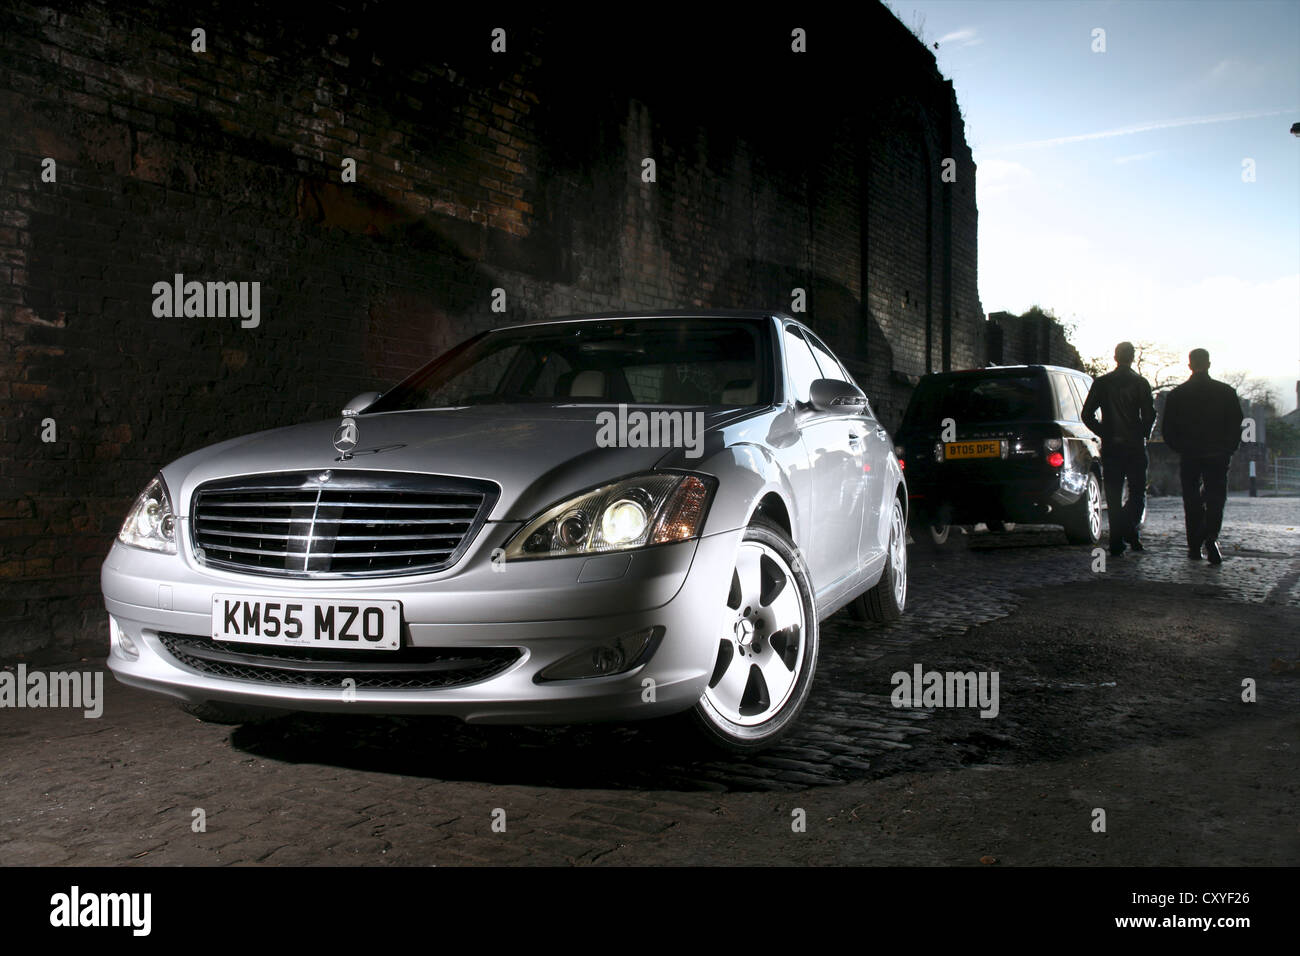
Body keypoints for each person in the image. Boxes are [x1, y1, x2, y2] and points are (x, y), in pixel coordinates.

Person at [1159, 349, 1244, 564]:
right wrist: (1229, 448)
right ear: (1209, 364)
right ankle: (1211, 537)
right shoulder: (1226, 392)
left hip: (1190, 454)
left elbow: (1167, 429)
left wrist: (1180, 448)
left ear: (1190, 365)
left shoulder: (1177, 395)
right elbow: (1236, 424)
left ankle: (1194, 546)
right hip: (1218, 454)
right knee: (1216, 497)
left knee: (1191, 499)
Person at [1082, 341, 1156, 556]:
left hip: (1112, 446)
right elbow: (1149, 415)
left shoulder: (1102, 383)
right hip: (1135, 446)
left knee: (1113, 495)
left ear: (1115, 357)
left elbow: (1086, 414)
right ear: (1132, 357)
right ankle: (1129, 529)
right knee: (1137, 493)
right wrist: (1144, 433)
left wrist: (1104, 432)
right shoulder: (1141, 383)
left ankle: (1117, 540)